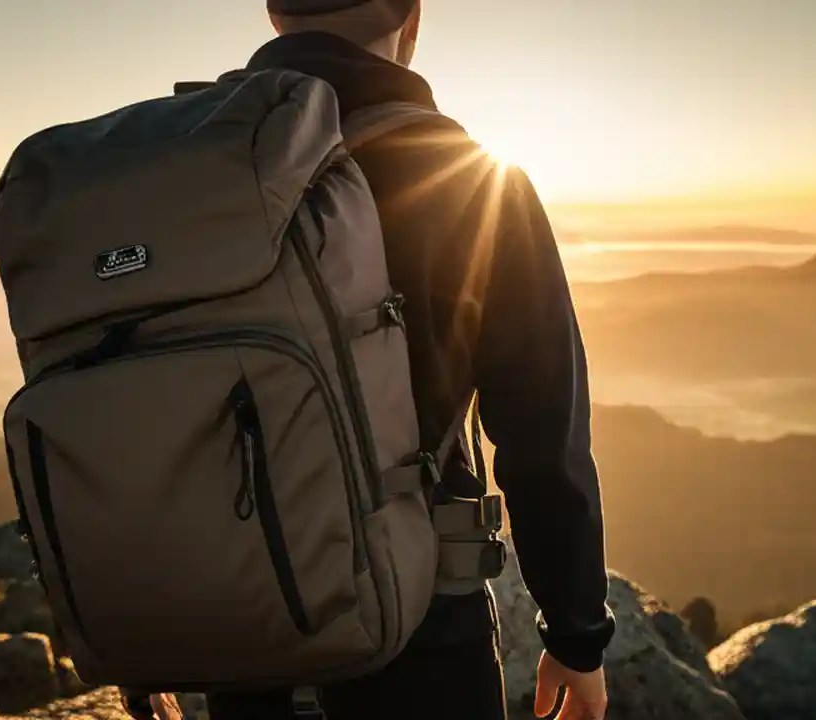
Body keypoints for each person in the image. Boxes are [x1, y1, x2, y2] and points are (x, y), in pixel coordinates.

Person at [140, 1, 615, 718]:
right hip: (419, 624)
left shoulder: (184, 170)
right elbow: (542, 433)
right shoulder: (470, 180)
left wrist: (159, 619)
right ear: (411, 16)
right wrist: (578, 636)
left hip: (240, 625)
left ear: (274, 14)